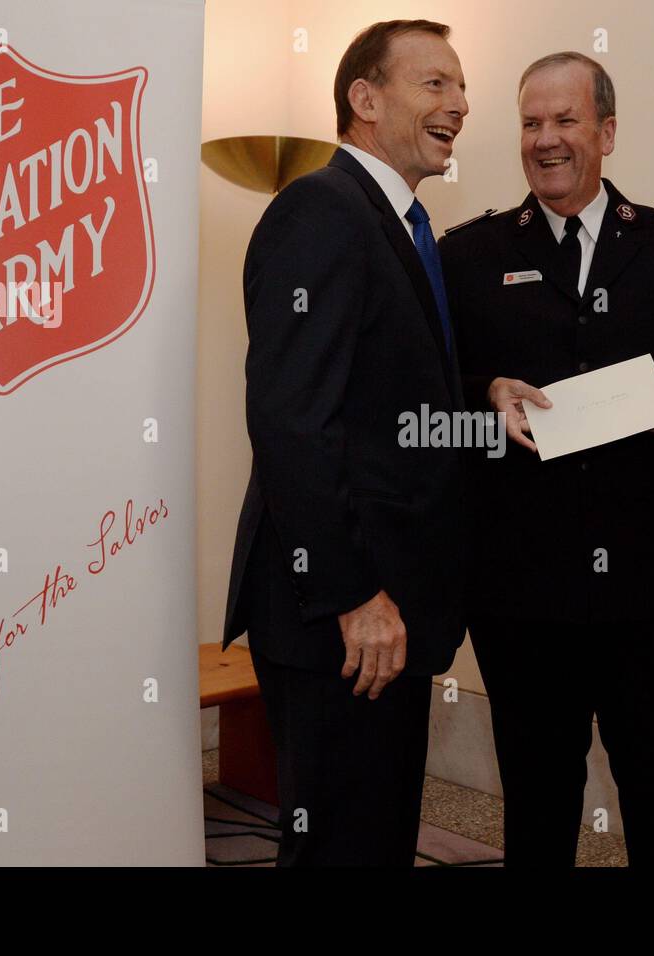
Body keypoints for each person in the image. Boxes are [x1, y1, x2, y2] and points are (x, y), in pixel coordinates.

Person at [439, 52, 654, 866]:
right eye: (531, 123)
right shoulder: (467, 256)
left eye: (565, 121)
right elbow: (425, 406)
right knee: (535, 805)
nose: (545, 140)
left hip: (650, 587)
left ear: (606, 131)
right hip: (520, 592)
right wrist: (483, 398)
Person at [221, 19, 471, 866]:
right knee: (338, 847)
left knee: (372, 840)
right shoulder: (319, 211)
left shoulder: (399, 223)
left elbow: (384, 408)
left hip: (384, 614)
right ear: (365, 100)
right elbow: (293, 420)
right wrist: (354, 594)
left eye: (460, 86)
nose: (459, 104)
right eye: (434, 83)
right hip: (342, 615)